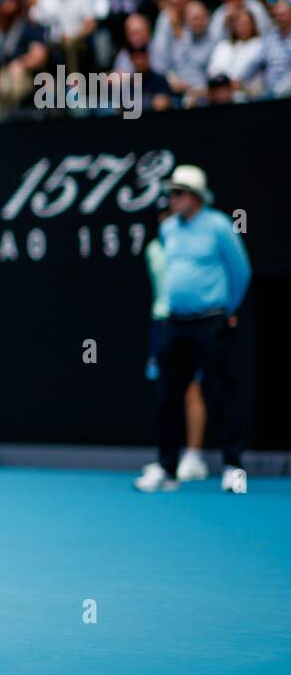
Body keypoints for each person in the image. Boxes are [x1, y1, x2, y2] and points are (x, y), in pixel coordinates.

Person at [136, 166, 251, 493]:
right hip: (175, 322)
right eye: (170, 193)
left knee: (222, 394)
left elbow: (240, 270)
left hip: (211, 320)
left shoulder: (218, 226)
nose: (172, 199)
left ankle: (233, 468)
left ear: (196, 197)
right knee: (168, 397)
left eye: (178, 193)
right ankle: (166, 468)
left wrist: (227, 309)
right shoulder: (169, 229)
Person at [140, 200, 207, 487]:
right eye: (162, 215)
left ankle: (193, 457)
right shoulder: (153, 250)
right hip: (163, 324)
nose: (167, 219)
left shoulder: (194, 246)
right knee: (167, 393)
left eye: (171, 214)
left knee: (192, 391)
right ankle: (168, 460)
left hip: (193, 321)